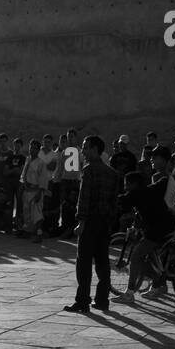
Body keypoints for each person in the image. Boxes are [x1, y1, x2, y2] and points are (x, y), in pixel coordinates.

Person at [64, 134, 120, 314]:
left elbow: (84, 199)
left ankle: (83, 301)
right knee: (103, 263)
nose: (83, 151)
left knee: (83, 264)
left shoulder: (88, 170)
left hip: (89, 222)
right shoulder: (112, 173)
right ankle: (102, 300)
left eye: (86, 147)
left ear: (95, 149)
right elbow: (114, 202)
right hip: (104, 223)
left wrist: (81, 222)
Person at [115, 148, 175, 301]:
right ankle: (160, 284)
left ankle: (130, 293)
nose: (151, 162)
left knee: (137, 255)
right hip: (159, 224)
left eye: (154, 159)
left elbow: (138, 197)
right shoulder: (158, 181)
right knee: (146, 256)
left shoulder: (163, 181)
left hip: (159, 227)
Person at [20, 138, 47, 239]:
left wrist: (40, 192)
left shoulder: (41, 163)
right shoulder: (28, 159)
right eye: (31, 147)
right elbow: (23, 175)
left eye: (35, 148)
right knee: (27, 212)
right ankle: (28, 231)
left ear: (38, 150)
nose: (32, 150)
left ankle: (39, 234)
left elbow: (43, 179)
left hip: (36, 191)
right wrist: (22, 187)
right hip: (27, 190)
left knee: (37, 214)